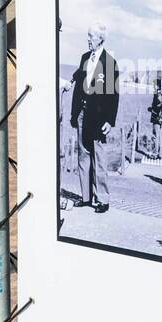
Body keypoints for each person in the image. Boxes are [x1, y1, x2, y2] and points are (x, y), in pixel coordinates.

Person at [69, 23, 119, 213]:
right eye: (88, 35)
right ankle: (86, 197)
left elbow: (114, 96)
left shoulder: (109, 63)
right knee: (83, 155)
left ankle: (103, 200)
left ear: (101, 39)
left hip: (99, 119)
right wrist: (74, 114)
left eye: (91, 36)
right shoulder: (84, 57)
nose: (88, 39)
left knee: (99, 158)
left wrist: (109, 121)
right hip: (82, 114)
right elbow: (79, 75)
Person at [148, 80, 162, 155]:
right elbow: (161, 106)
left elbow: (158, 106)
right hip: (160, 117)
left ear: (157, 86)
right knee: (159, 135)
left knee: (156, 136)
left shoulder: (157, 95)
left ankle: (155, 153)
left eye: (154, 85)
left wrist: (151, 109)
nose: (153, 87)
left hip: (156, 117)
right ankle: (160, 153)